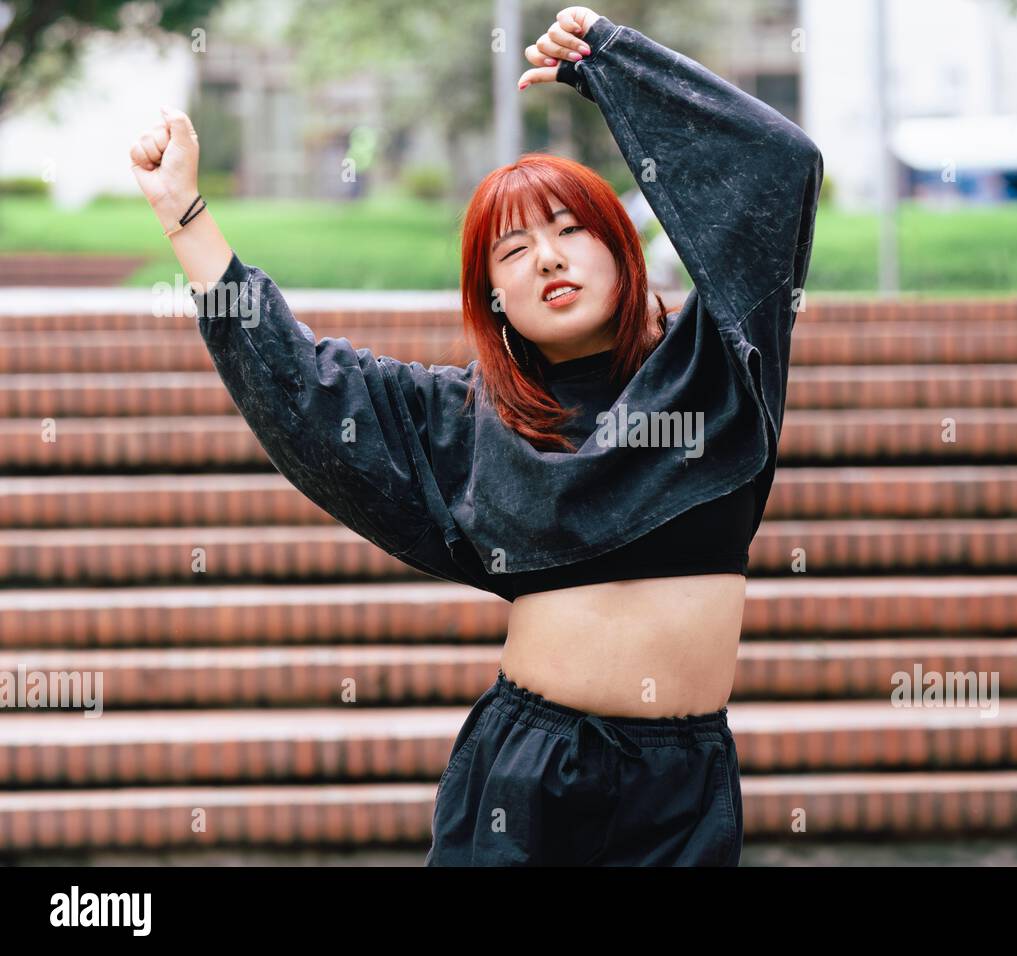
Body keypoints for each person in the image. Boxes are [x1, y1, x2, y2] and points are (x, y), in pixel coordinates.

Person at [128, 5, 822, 866]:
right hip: (528, 780)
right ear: (493, 297)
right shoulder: (468, 420)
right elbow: (300, 385)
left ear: (622, 249)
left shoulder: (718, 370)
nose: (548, 258)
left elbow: (777, 168)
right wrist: (185, 214)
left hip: (683, 788)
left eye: (571, 231)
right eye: (514, 250)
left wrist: (609, 61)